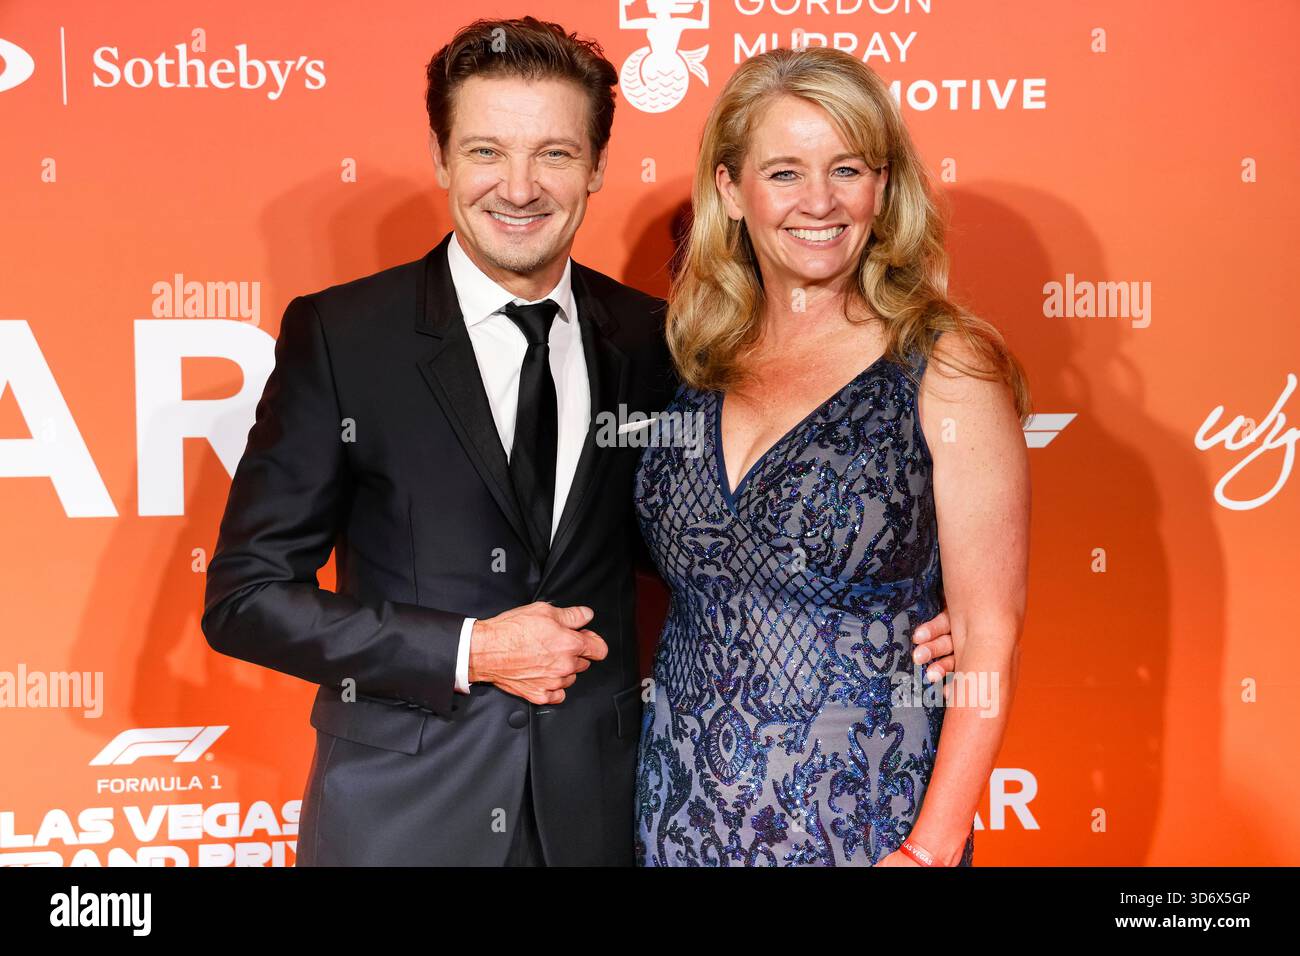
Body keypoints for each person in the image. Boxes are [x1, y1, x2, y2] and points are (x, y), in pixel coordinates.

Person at [202, 18, 958, 866]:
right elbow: (245, 599)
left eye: (555, 154)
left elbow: (703, 535)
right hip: (400, 820)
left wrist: (891, 607)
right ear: (442, 157)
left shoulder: (657, 340)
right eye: (487, 151)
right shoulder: (345, 336)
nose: (519, 188)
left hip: (603, 815)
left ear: (597, 167)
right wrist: (470, 649)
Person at [633, 46, 1031, 867]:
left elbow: (989, 632)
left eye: (846, 168)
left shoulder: (945, 366)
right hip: (677, 819)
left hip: (864, 823)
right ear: (729, 191)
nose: (818, 201)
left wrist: (929, 849)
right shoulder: (689, 361)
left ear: (882, 190)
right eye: (784, 173)